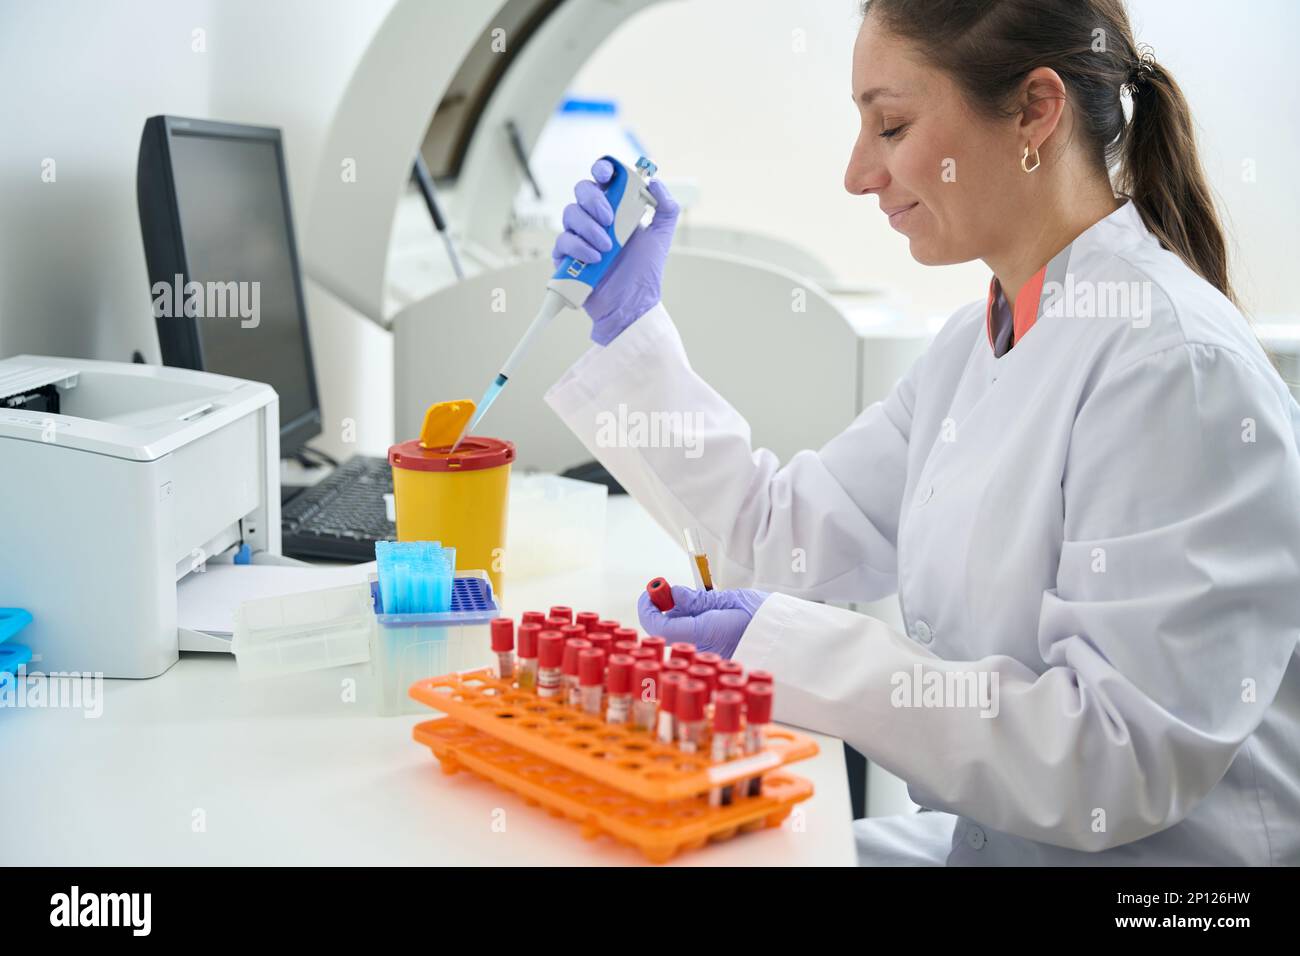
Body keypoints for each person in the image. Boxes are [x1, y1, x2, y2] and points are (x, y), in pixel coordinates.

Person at [544, 0, 1300, 865]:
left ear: (1035, 111)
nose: (859, 173)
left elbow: (1117, 760)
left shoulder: (1174, 368)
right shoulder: (980, 344)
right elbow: (778, 536)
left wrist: (806, 655)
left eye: (892, 125)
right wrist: (629, 330)